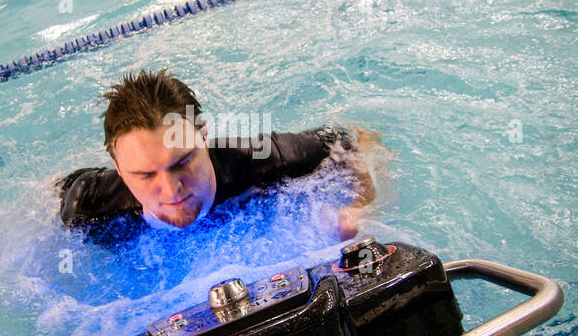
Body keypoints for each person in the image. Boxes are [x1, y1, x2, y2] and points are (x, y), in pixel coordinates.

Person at [56, 67, 384, 241]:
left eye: (183, 161)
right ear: (118, 167)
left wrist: (363, 207)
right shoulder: (92, 204)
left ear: (204, 135)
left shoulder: (263, 159)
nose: (171, 190)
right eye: (144, 175)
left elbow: (358, 138)